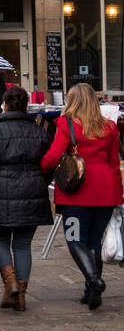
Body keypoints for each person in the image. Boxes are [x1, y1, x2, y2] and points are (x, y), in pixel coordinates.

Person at [41, 83, 123, 310]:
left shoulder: (67, 125)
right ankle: (90, 289)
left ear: (72, 101)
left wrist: (41, 167)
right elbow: (115, 163)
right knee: (94, 241)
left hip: (77, 192)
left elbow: (53, 156)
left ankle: (95, 281)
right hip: (106, 190)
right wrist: (119, 192)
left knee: (75, 240)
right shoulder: (110, 127)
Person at [0, 85, 52, 312]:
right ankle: (21, 295)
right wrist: (39, 182)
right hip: (33, 192)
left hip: (1, 193)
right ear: (26, 105)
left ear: (4, 105)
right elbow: (49, 165)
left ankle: (11, 283)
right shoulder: (38, 131)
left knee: (0, 240)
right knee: (23, 245)